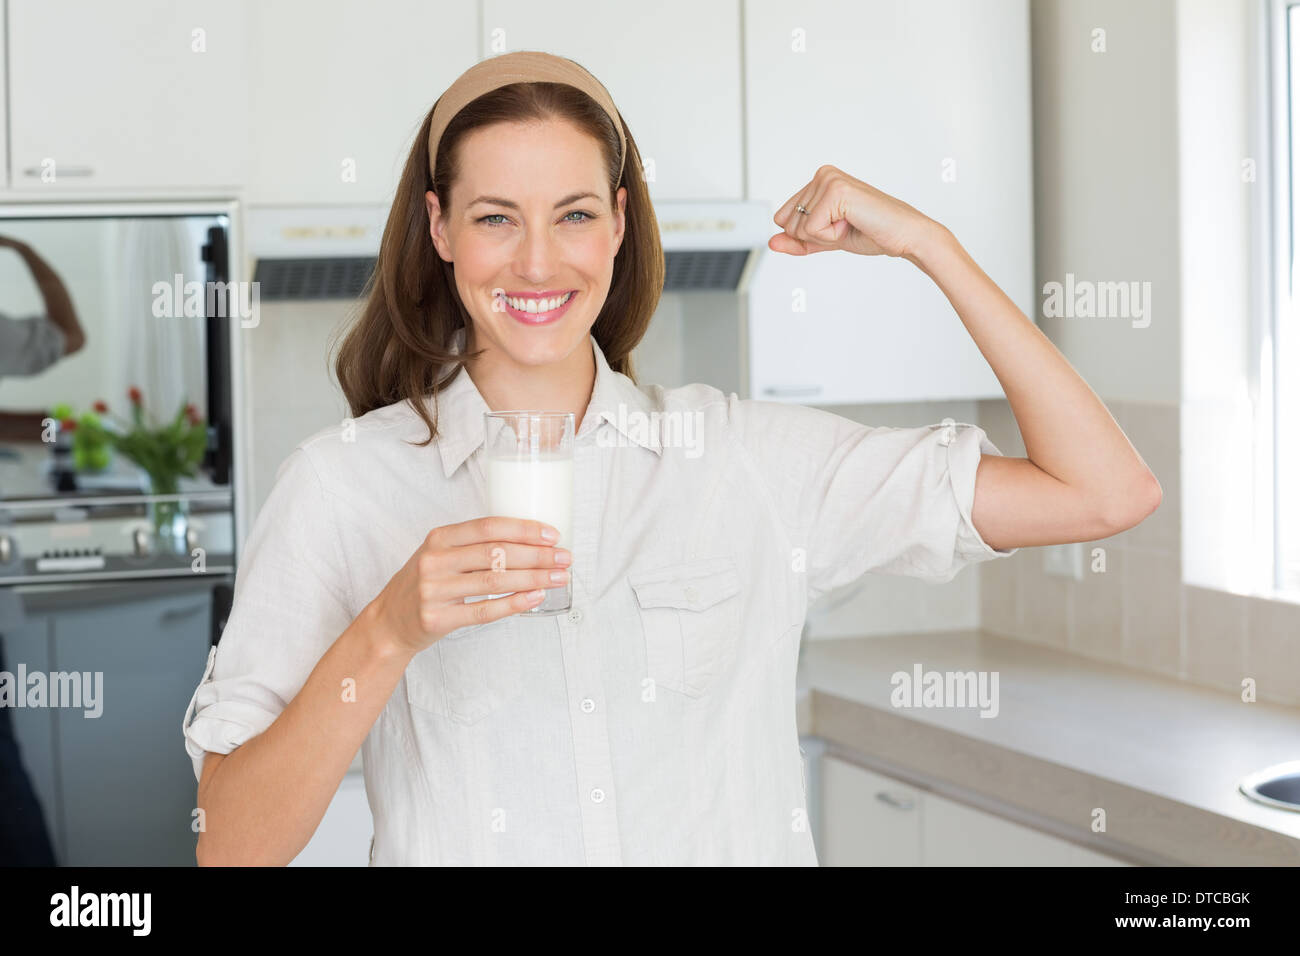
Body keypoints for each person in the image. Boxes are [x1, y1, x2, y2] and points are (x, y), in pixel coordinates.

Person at [183, 51, 1161, 866]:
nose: (535, 262)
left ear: (617, 221)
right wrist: (386, 631)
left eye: (571, 214)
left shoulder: (746, 459)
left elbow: (1104, 491)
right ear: (439, 227)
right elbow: (228, 844)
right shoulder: (346, 484)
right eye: (494, 217)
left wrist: (929, 243)